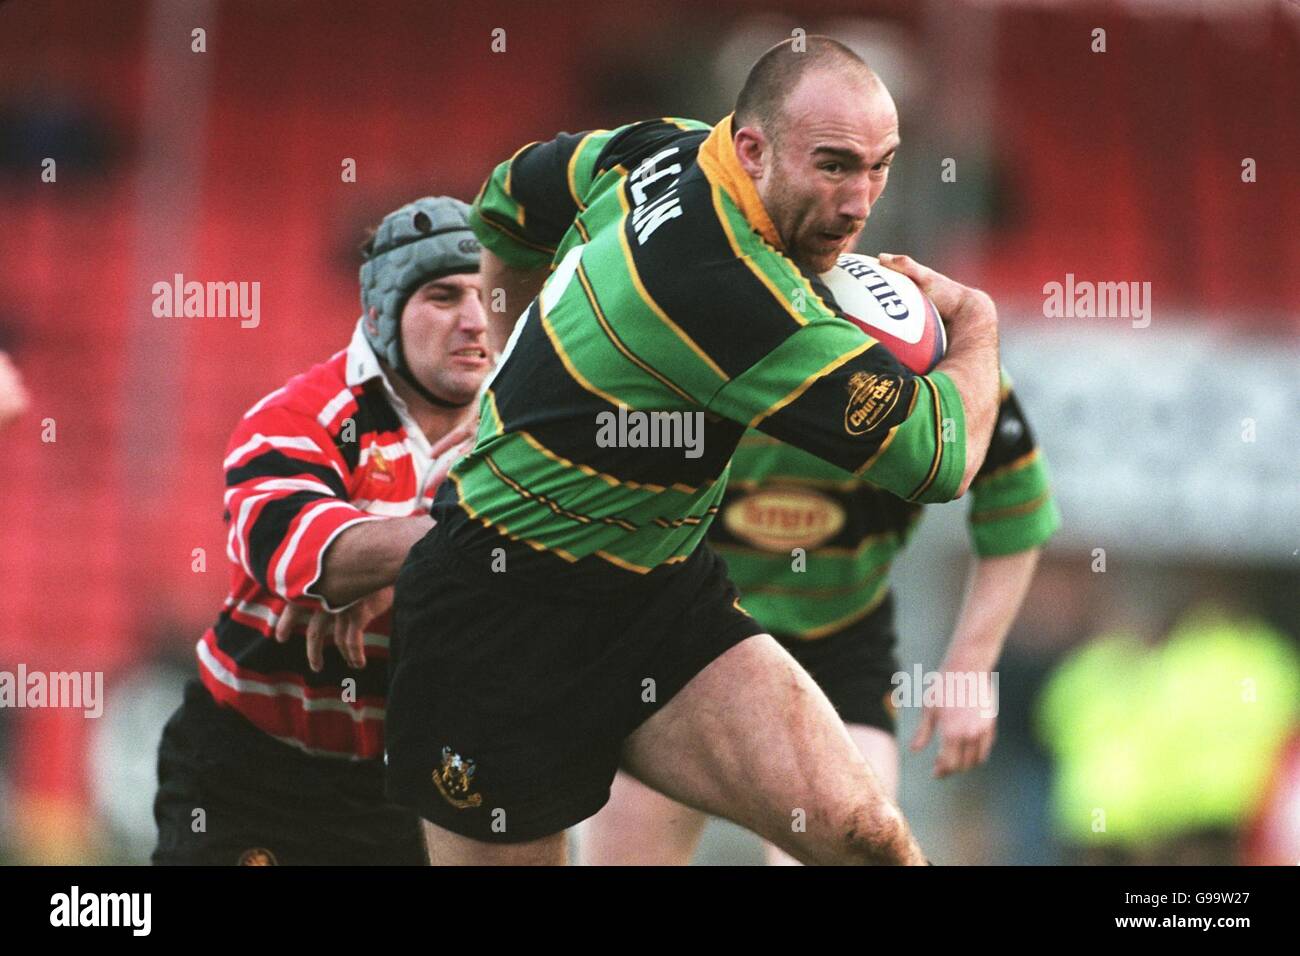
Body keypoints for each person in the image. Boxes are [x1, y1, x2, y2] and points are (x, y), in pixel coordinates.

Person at [385, 36, 1002, 865]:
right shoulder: (732, 292)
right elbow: (942, 459)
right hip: (502, 617)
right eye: (833, 166)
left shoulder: (666, 146)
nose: (861, 202)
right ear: (753, 148)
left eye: (880, 166)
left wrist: (502, 377)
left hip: (661, 596)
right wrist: (979, 328)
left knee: (866, 839)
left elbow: (506, 202)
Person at [584, 374, 1060, 864]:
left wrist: (970, 666)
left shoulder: (935, 348)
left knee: (863, 838)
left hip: (836, 648)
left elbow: (1016, 501)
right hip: (676, 638)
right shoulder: (691, 329)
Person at [151, 196, 489, 865]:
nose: (476, 321)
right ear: (381, 312)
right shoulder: (296, 415)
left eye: (487, 296)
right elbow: (299, 548)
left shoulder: (522, 429)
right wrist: (439, 546)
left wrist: (388, 564)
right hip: (249, 764)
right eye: (444, 296)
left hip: (402, 783)